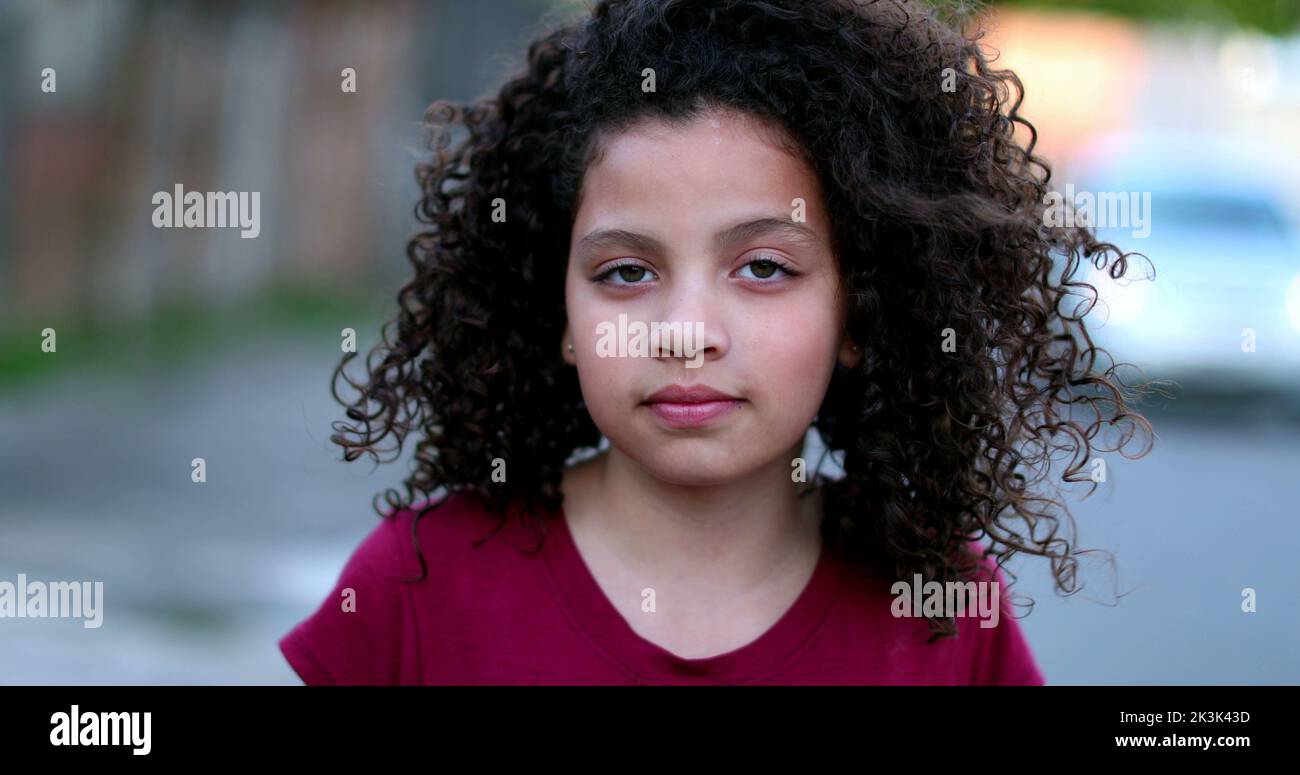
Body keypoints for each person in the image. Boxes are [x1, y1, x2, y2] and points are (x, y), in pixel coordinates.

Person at [279, 0, 1154, 685]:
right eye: (626, 273)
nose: (688, 333)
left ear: (860, 313)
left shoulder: (944, 608)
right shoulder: (418, 585)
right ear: (558, 313)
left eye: (765, 268)